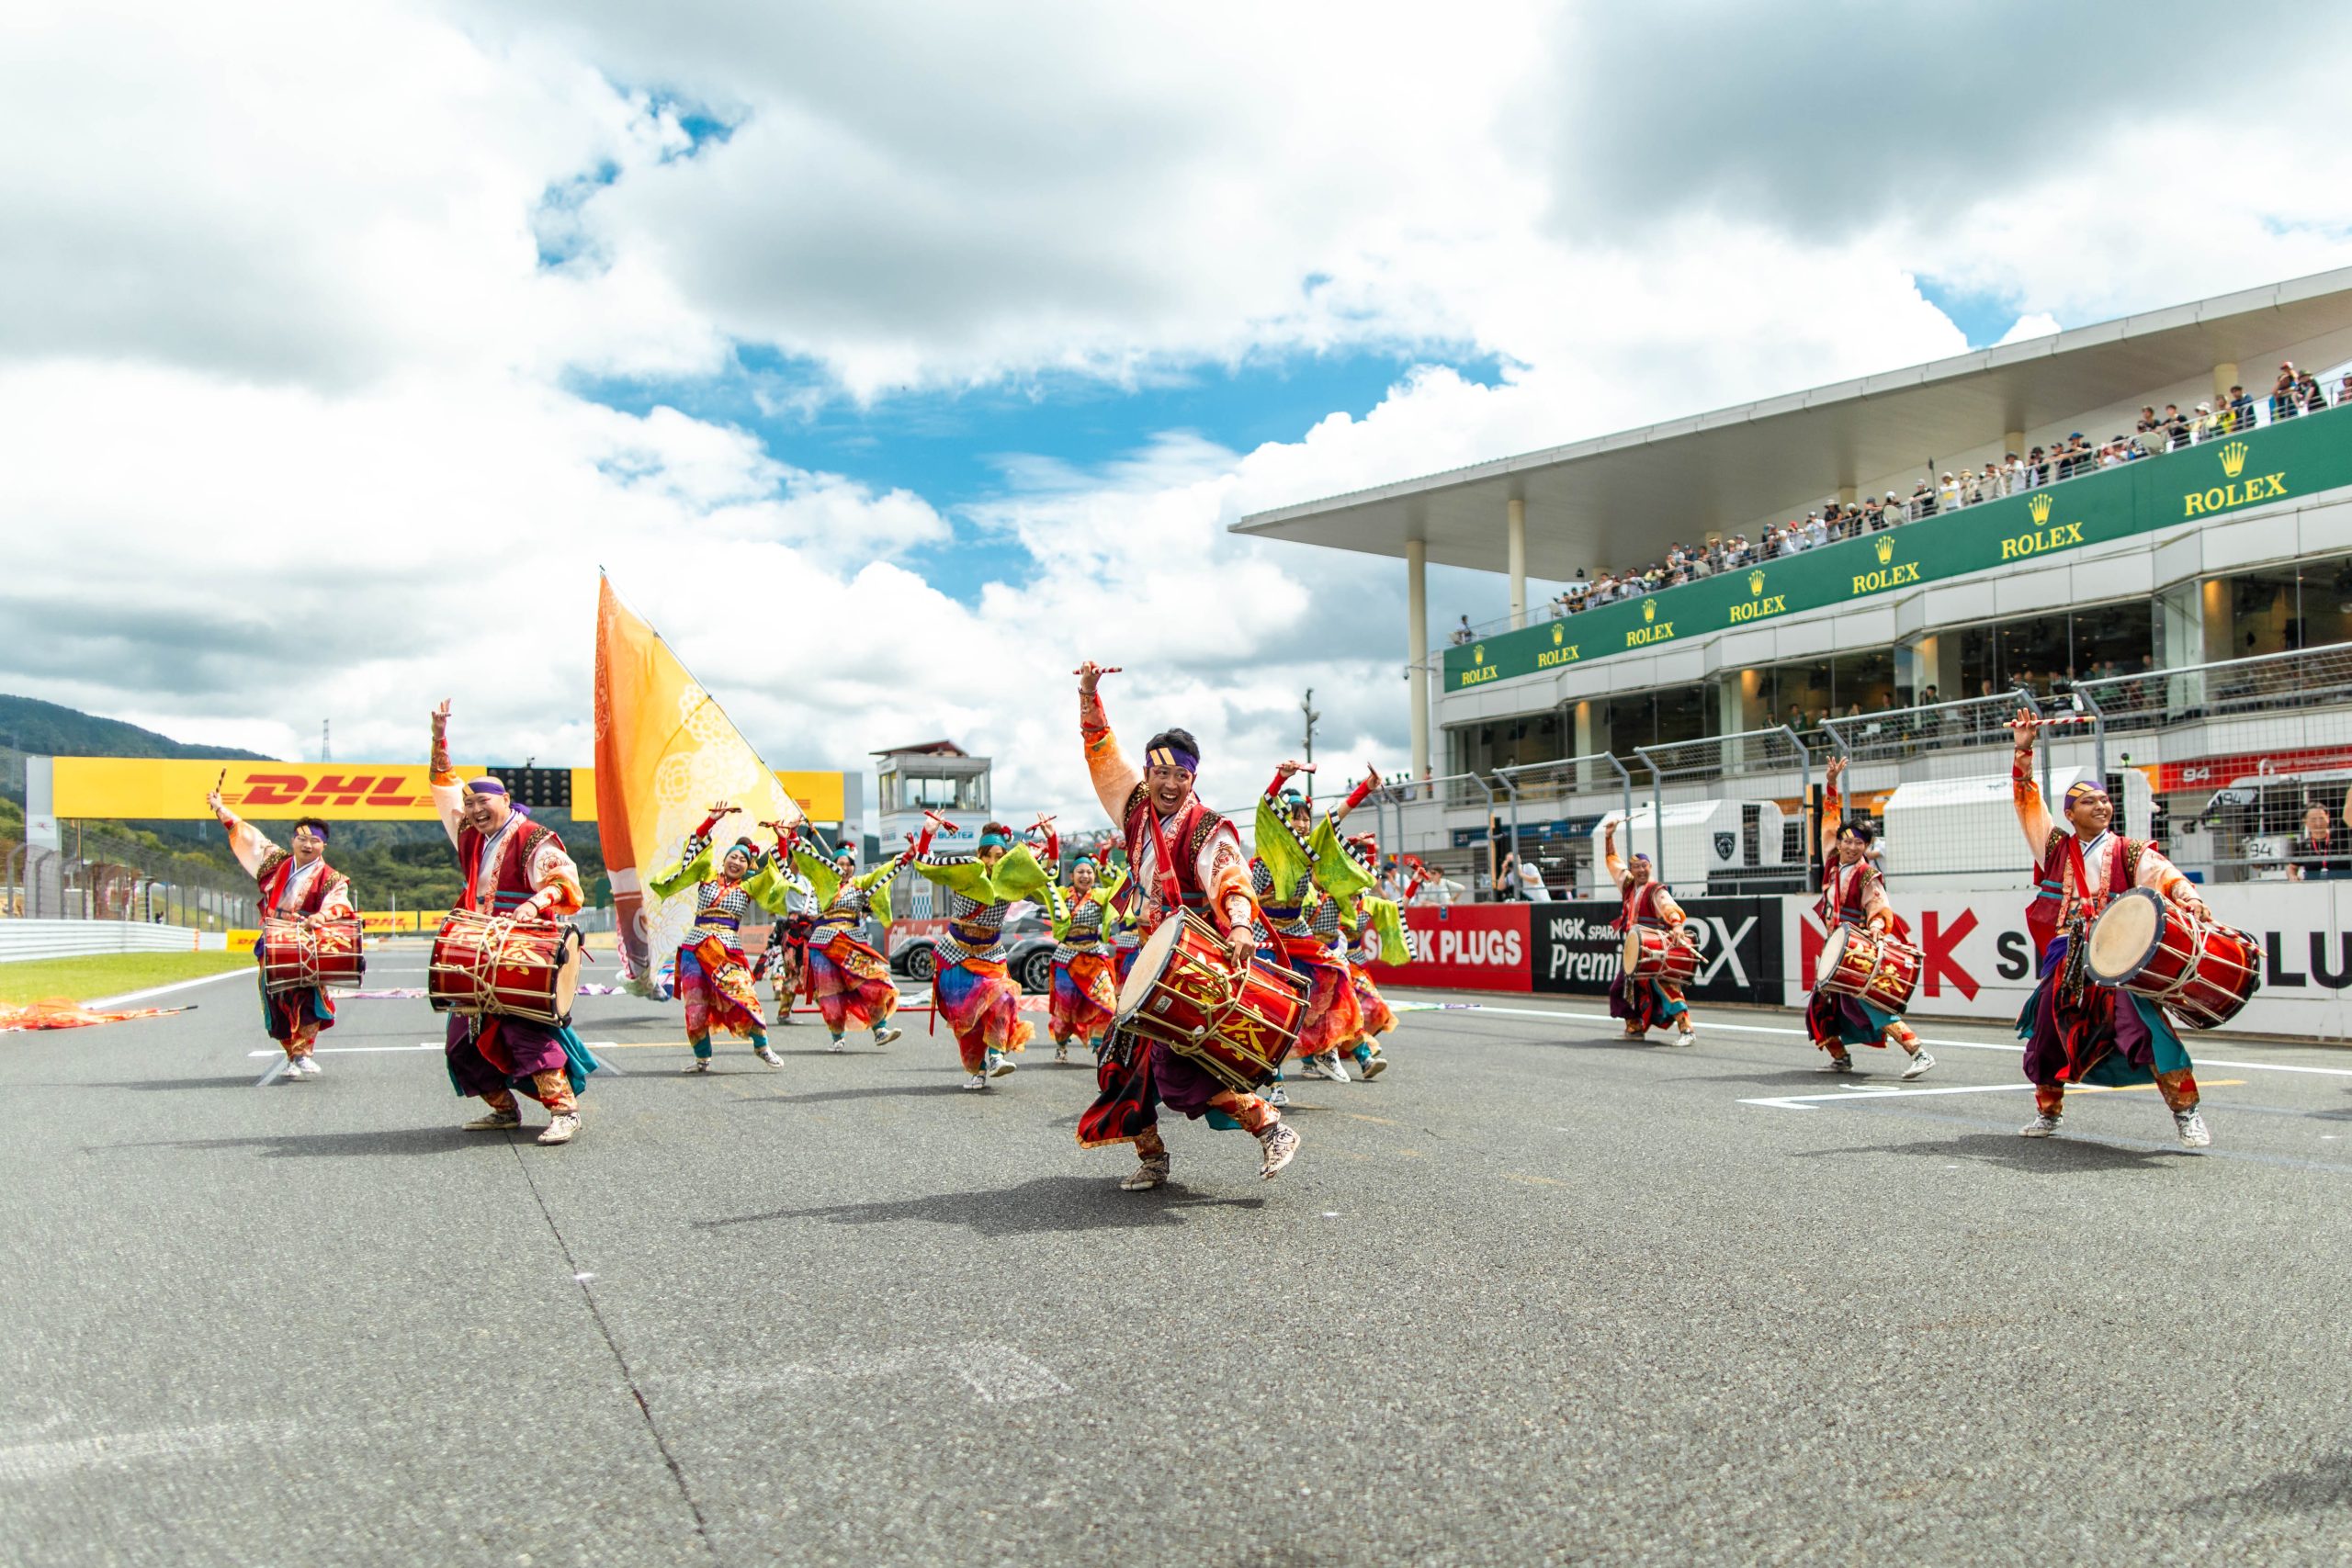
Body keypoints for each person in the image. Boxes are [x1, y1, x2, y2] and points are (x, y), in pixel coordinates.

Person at [1071, 660, 1299, 1188]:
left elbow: (1230, 876)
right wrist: (1088, 694)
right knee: (1120, 1069)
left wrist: (1241, 925)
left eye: (1181, 775)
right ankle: (1153, 1158)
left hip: (1199, 960)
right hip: (1153, 958)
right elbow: (1103, 750)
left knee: (1178, 1075)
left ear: (1193, 778)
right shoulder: (1133, 810)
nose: (1170, 784)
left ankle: (1271, 1128)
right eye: (1161, 773)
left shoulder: (1205, 828)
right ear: (1148, 774)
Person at [2009, 710, 2212, 1146]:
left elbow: (2166, 875)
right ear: (2069, 812)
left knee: (2146, 1028)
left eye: (2104, 800)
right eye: (2089, 801)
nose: (2101, 805)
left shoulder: (2129, 849)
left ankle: (2186, 1113)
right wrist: (2023, 750)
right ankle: (2048, 1111)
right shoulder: (2052, 846)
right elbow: (2027, 801)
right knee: (2047, 1032)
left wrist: (2190, 899)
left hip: (2117, 957)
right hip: (2066, 955)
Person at [429, 701, 602, 1145]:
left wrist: (535, 901)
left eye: (482, 801)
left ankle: (565, 1111)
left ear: (505, 800)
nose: (474, 809)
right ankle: (505, 1110)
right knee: (461, 1042)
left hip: (521, 945)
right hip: (478, 947)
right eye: (470, 804)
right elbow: (444, 789)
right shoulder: (469, 835)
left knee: (523, 1031)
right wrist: (438, 737)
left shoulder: (533, 837)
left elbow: (564, 880)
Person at [209, 791, 354, 1078]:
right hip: (274, 941)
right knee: (277, 1001)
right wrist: (220, 809)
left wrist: (320, 916)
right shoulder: (276, 862)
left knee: (308, 999)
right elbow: (249, 837)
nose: (308, 844)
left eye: (314, 840)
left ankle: (303, 1053)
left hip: (307, 944)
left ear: (324, 845)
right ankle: (291, 1053)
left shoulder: (331, 878)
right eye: (302, 839)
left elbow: (338, 901)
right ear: (292, 841)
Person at [1807, 758, 1933, 1078]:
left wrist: (1877, 927)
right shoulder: (1834, 863)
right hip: (1836, 941)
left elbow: (1879, 908)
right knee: (1821, 1006)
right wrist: (1831, 784)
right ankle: (1840, 1057)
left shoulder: (1867, 874)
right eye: (1846, 840)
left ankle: (1919, 1051)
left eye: (1858, 843)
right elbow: (1828, 823)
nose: (1850, 846)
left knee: (1870, 1003)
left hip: (1858, 944)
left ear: (1867, 847)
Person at [1257, 763, 1380, 1086]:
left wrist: (1365, 788)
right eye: (1293, 816)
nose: (1299, 822)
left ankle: (1327, 1049)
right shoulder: (1267, 848)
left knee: (1336, 974)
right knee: (1272, 1007)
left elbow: (1334, 818)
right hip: (1264, 934)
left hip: (1297, 931)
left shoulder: (1308, 850)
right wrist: (1281, 778)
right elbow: (1266, 806)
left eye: (1304, 817)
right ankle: (1274, 1078)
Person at [910, 818, 1054, 1090]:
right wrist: (927, 833)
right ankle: (978, 1070)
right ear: (980, 855)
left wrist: (1053, 840)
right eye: (989, 856)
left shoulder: (1011, 879)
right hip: (957, 956)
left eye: (999, 856)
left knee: (1004, 996)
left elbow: (1047, 873)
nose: (994, 861)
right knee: (968, 1020)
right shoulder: (967, 872)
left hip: (991, 954)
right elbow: (925, 865)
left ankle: (997, 1055)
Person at [648, 803, 787, 1073]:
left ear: (748, 866)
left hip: (727, 949)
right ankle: (702, 1058)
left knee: (743, 993)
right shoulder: (708, 874)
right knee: (695, 1004)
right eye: (733, 857)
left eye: (743, 860)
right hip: (694, 947)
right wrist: (710, 821)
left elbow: (778, 875)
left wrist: (781, 840)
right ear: (724, 860)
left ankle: (762, 1046)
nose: (736, 862)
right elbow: (694, 848)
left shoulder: (749, 885)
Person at [786, 832, 910, 1053]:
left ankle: (880, 1029)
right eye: (839, 863)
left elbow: (884, 871)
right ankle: (837, 1036)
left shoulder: (861, 884)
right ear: (832, 866)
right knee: (830, 992)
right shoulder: (823, 883)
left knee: (870, 982)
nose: (844, 867)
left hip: (851, 941)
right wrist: (794, 837)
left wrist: (907, 855)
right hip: (824, 944)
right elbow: (809, 859)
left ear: (853, 866)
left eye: (848, 864)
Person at [1601, 818, 1697, 1043]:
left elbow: (1668, 906)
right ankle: (1634, 1028)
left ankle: (1687, 1030)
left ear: (1650, 867)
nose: (1642, 870)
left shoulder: (1655, 890)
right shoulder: (1627, 885)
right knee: (1621, 988)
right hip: (1635, 948)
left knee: (1666, 986)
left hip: (1655, 947)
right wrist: (1609, 837)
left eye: (1645, 866)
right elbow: (1613, 862)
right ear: (1632, 870)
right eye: (1637, 867)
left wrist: (1676, 925)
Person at [1336, 832, 1410, 1079]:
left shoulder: (1368, 902)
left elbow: (1398, 905)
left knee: (1373, 1007)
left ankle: (1356, 1053)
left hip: (1355, 961)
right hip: (1327, 961)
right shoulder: (1329, 896)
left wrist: (1416, 882)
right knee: (1331, 1013)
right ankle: (1361, 1055)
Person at [1046, 853, 1126, 1062]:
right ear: (1072, 875)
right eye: (1080, 872)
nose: (1085, 876)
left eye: (1090, 872)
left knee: (1107, 1001)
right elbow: (1044, 881)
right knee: (1065, 1008)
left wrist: (1105, 857)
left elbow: (1120, 883)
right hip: (1067, 957)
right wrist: (1052, 843)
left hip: (1093, 956)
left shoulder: (1101, 894)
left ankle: (1100, 1045)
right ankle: (1061, 1044)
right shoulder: (1061, 894)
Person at [2288, 793, 2352, 880]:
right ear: (2305, 821)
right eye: (2313, 820)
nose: (2318, 823)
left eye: (2321, 818)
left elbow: (2348, 813)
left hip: (2341, 885)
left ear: (2328, 817)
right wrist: (2292, 876)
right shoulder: (2303, 846)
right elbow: (2292, 867)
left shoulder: (2341, 835)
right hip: (2315, 888)